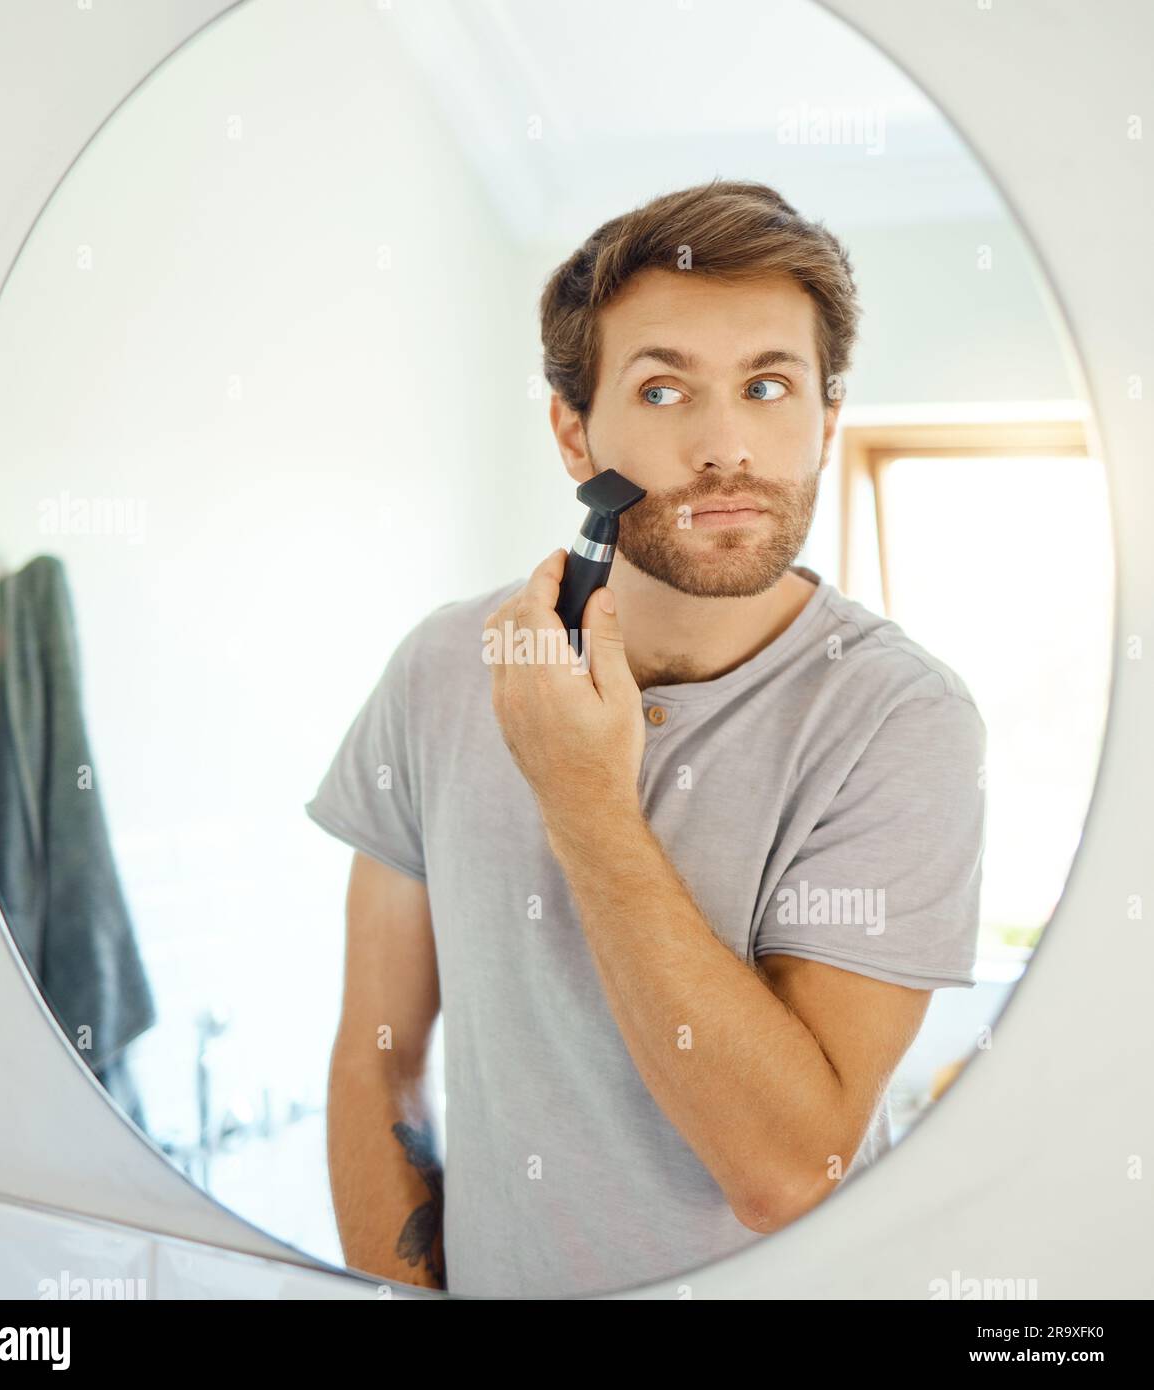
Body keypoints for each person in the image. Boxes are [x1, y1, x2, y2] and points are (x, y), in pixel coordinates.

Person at [306, 178, 986, 1300]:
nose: (726, 445)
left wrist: (582, 797)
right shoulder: (438, 669)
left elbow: (784, 1171)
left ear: (823, 419)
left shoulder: (900, 720)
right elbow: (374, 1058)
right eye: (664, 389)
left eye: (767, 386)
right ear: (575, 431)